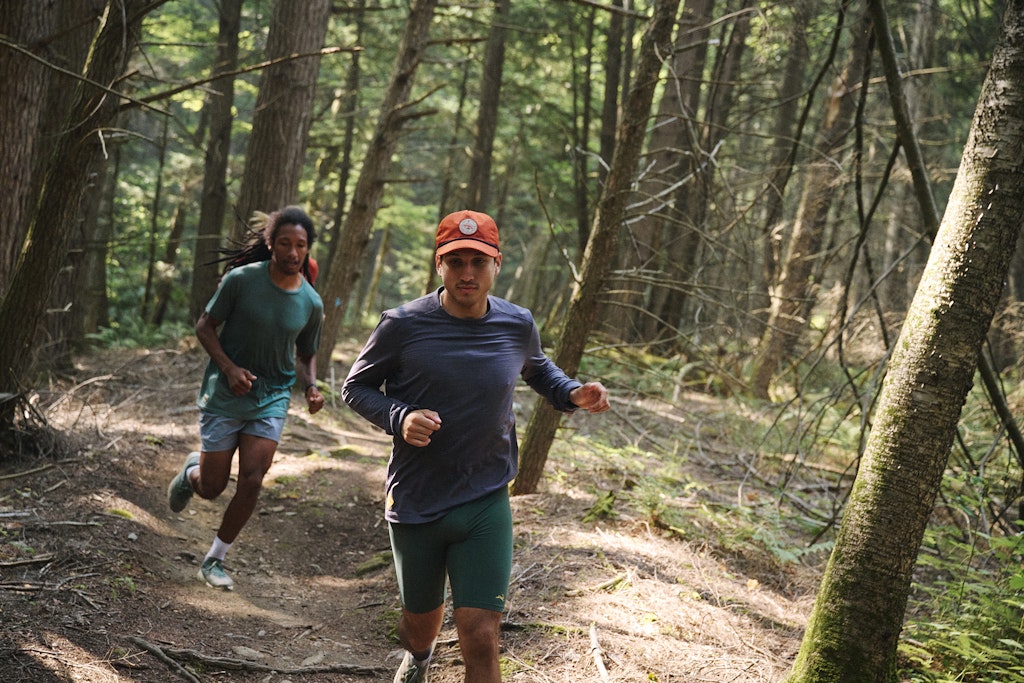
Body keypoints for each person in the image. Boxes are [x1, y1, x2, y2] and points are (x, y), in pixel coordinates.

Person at [342, 209, 610, 683]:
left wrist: (570, 392)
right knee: (418, 626)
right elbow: (356, 387)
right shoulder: (402, 325)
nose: (468, 273)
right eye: (456, 260)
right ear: (439, 264)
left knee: (481, 635)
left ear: (497, 264)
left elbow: (537, 368)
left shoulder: (516, 323)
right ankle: (419, 658)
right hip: (417, 497)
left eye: (478, 262)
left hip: (486, 496)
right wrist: (399, 417)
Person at [167, 205, 325, 590]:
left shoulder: (311, 303)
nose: (292, 252)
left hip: (271, 396)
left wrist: (310, 387)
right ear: (270, 243)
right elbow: (205, 326)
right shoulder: (241, 280)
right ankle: (193, 472)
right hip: (225, 392)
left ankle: (214, 560)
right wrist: (229, 368)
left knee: (253, 479)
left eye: (300, 245)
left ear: (308, 250)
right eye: (284, 243)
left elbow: (306, 355)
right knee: (212, 488)